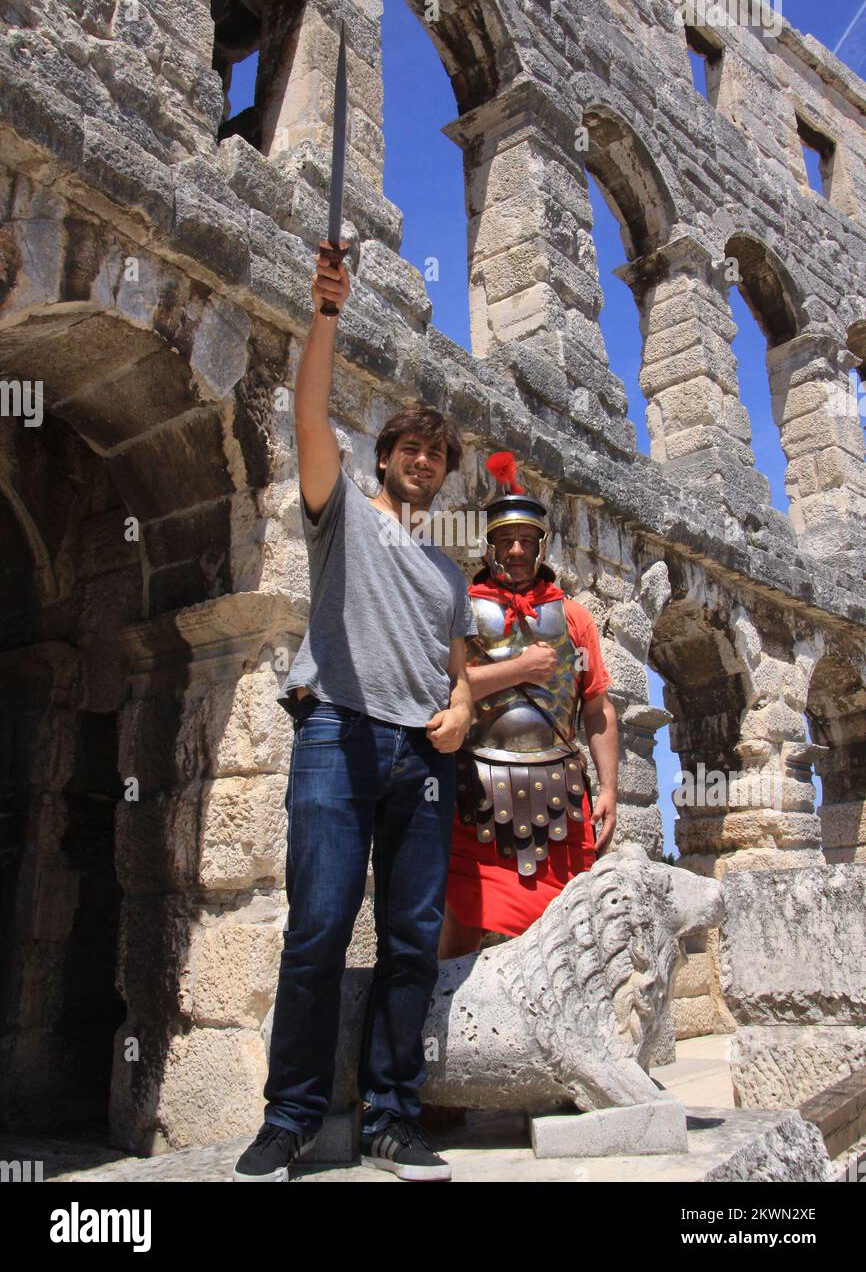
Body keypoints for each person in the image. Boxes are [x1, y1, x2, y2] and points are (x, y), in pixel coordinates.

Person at [233, 242, 476, 1182]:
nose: (422, 461)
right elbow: (306, 413)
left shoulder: (450, 572)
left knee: (412, 936)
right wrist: (326, 312)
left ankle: (389, 1115)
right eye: (409, 448)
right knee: (321, 923)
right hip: (337, 728)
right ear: (386, 460)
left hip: (422, 755)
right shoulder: (346, 514)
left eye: (435, 454)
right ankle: (291, 1116)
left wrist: (458, 707)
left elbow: (455, 665)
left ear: (444, 475)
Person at [438, 450, 619, 958]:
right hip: (474, 786)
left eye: (525, 540)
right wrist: (517, 671)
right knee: (462, 925)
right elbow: (440, 687)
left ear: (541, 546)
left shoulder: (576, 618)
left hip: (559, 788)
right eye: (504, 539)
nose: (515, 549)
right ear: (490, 545)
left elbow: (596, 708)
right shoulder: (462, 608)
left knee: (566, 934)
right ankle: (444, 1030)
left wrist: (608, 787)